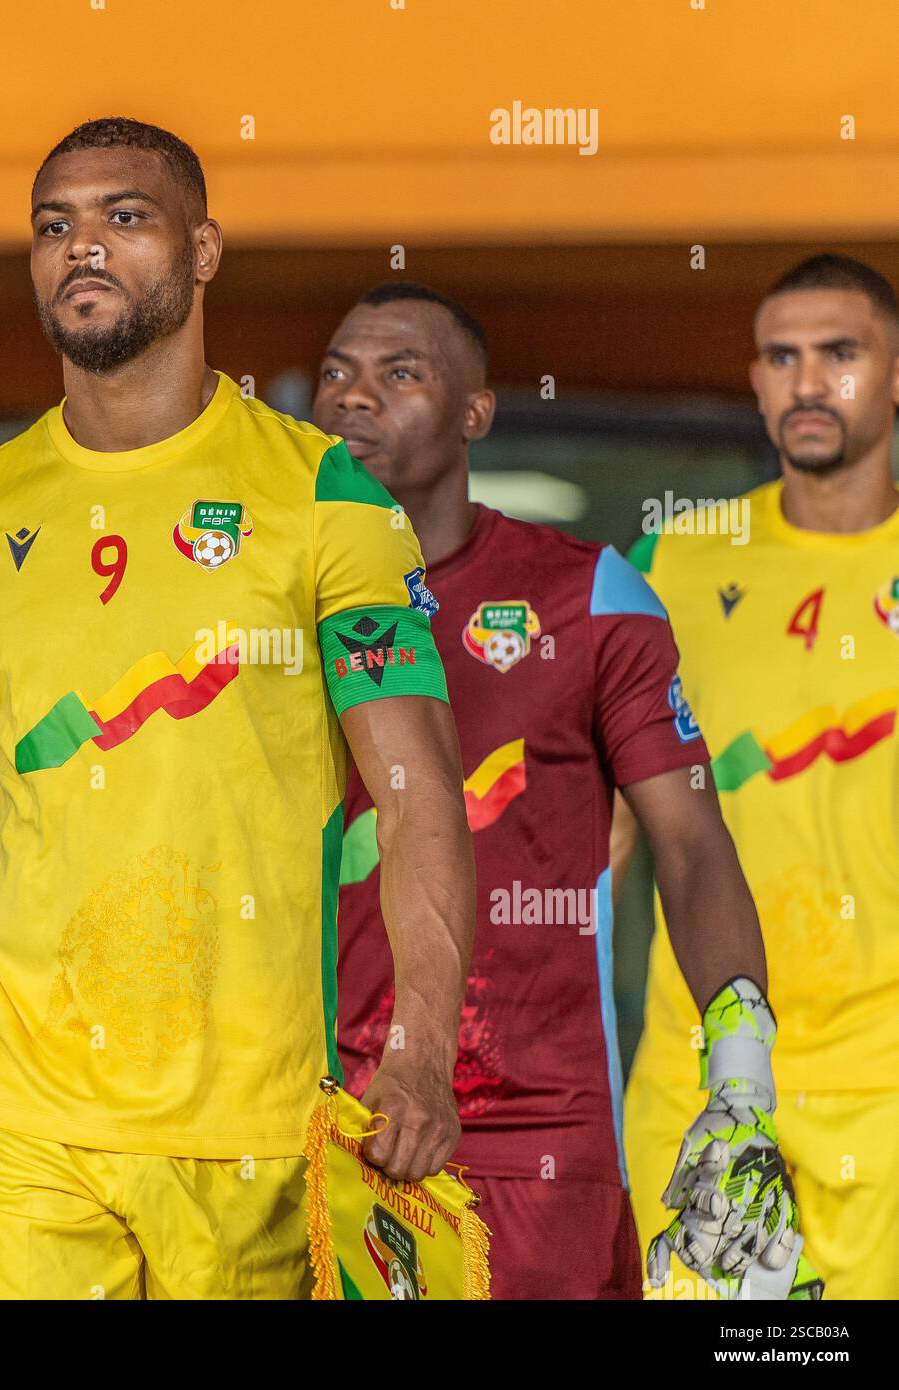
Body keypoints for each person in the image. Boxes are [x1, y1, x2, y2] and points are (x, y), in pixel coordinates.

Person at [0, 118, 475, 1302]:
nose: (80, 248)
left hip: (250, 1131)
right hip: (22, 1126)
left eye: (122, 218)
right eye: (54, 227)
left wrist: (419, 1050)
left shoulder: (325, 497)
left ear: (202, 252)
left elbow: (415, 800)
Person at [316, 281, 817, 1299]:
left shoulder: (588, 597)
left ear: (474, 413)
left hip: (535, 1133)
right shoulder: (270, 603)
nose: (353, 400)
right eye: (335, 375)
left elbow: (688, 842)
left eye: (398, 373)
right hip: (317, 1114)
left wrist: (741, 1077)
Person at [620, 253, 899, 1300]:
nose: (806, 381)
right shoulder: (672, 563)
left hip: (884, 1087)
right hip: (699, 1081)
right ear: (754, 381)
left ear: (895, 373)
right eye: (781, 357)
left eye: (839, 354)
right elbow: (602, 834)